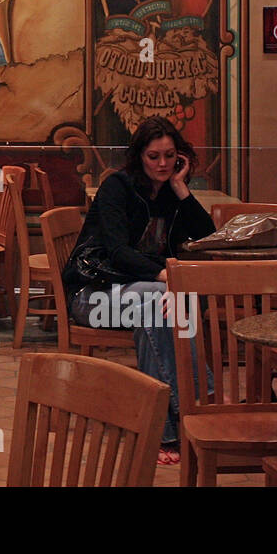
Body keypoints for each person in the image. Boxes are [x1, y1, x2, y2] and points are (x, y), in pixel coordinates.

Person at [63, 115, 215, 466]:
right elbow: (117, 252)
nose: (162, 164)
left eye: (170, 156)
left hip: (147, 296)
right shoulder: (117, 187)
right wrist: (168, 277)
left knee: (159, 309)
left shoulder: (172, 191)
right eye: (154, 157)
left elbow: (206, 236)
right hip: (94, 295)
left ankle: (163, 429)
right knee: (162, 300)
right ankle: (199, 402)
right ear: (139, 156)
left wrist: (181, 187)